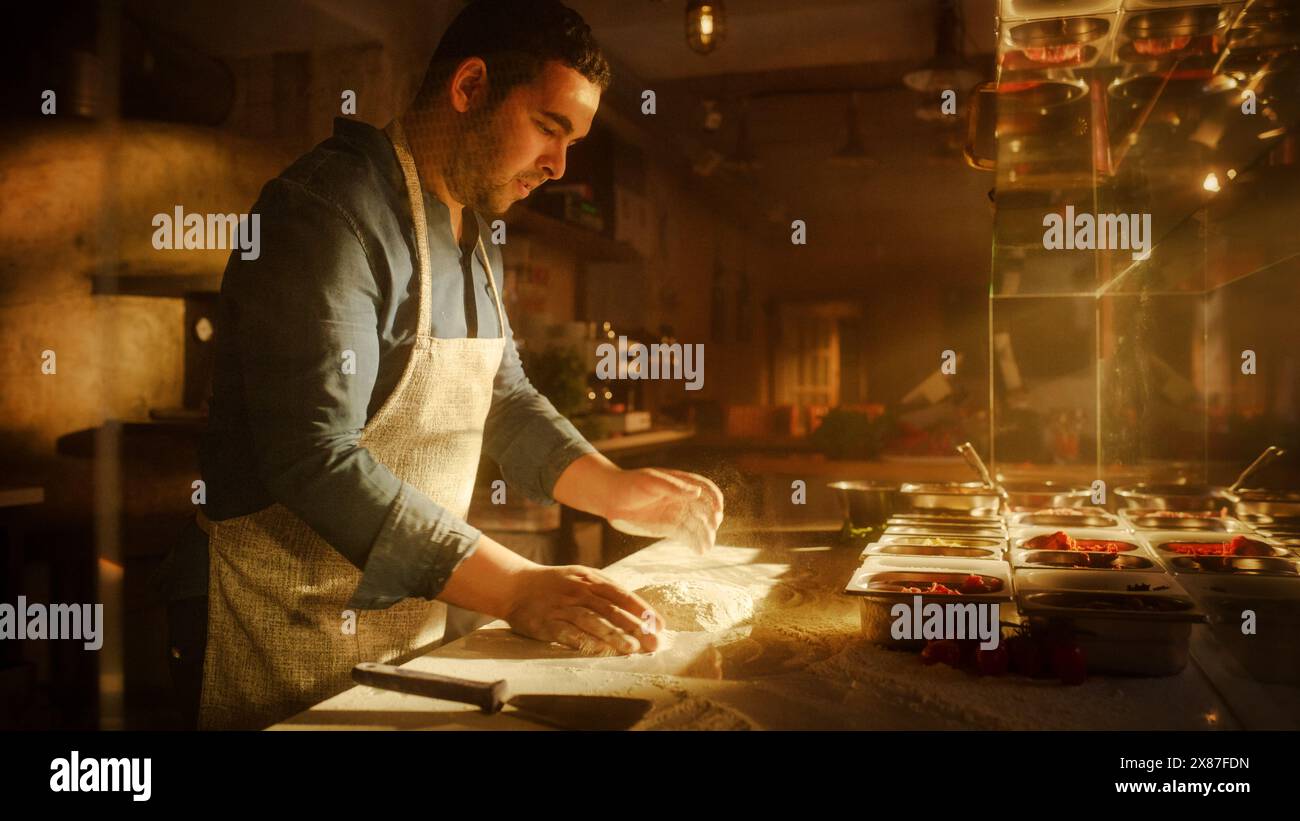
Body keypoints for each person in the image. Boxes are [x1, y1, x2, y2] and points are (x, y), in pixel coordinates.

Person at [154, 0, 723, 731]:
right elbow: (312, 456)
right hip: (272, 623)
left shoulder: (473, 236)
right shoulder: (325, 212)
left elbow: (504, 398)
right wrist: (515, 585)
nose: (558, 165)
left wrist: (611, 489)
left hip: (395, 631)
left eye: (572, 140)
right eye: (550, 127)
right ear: (470, 86)